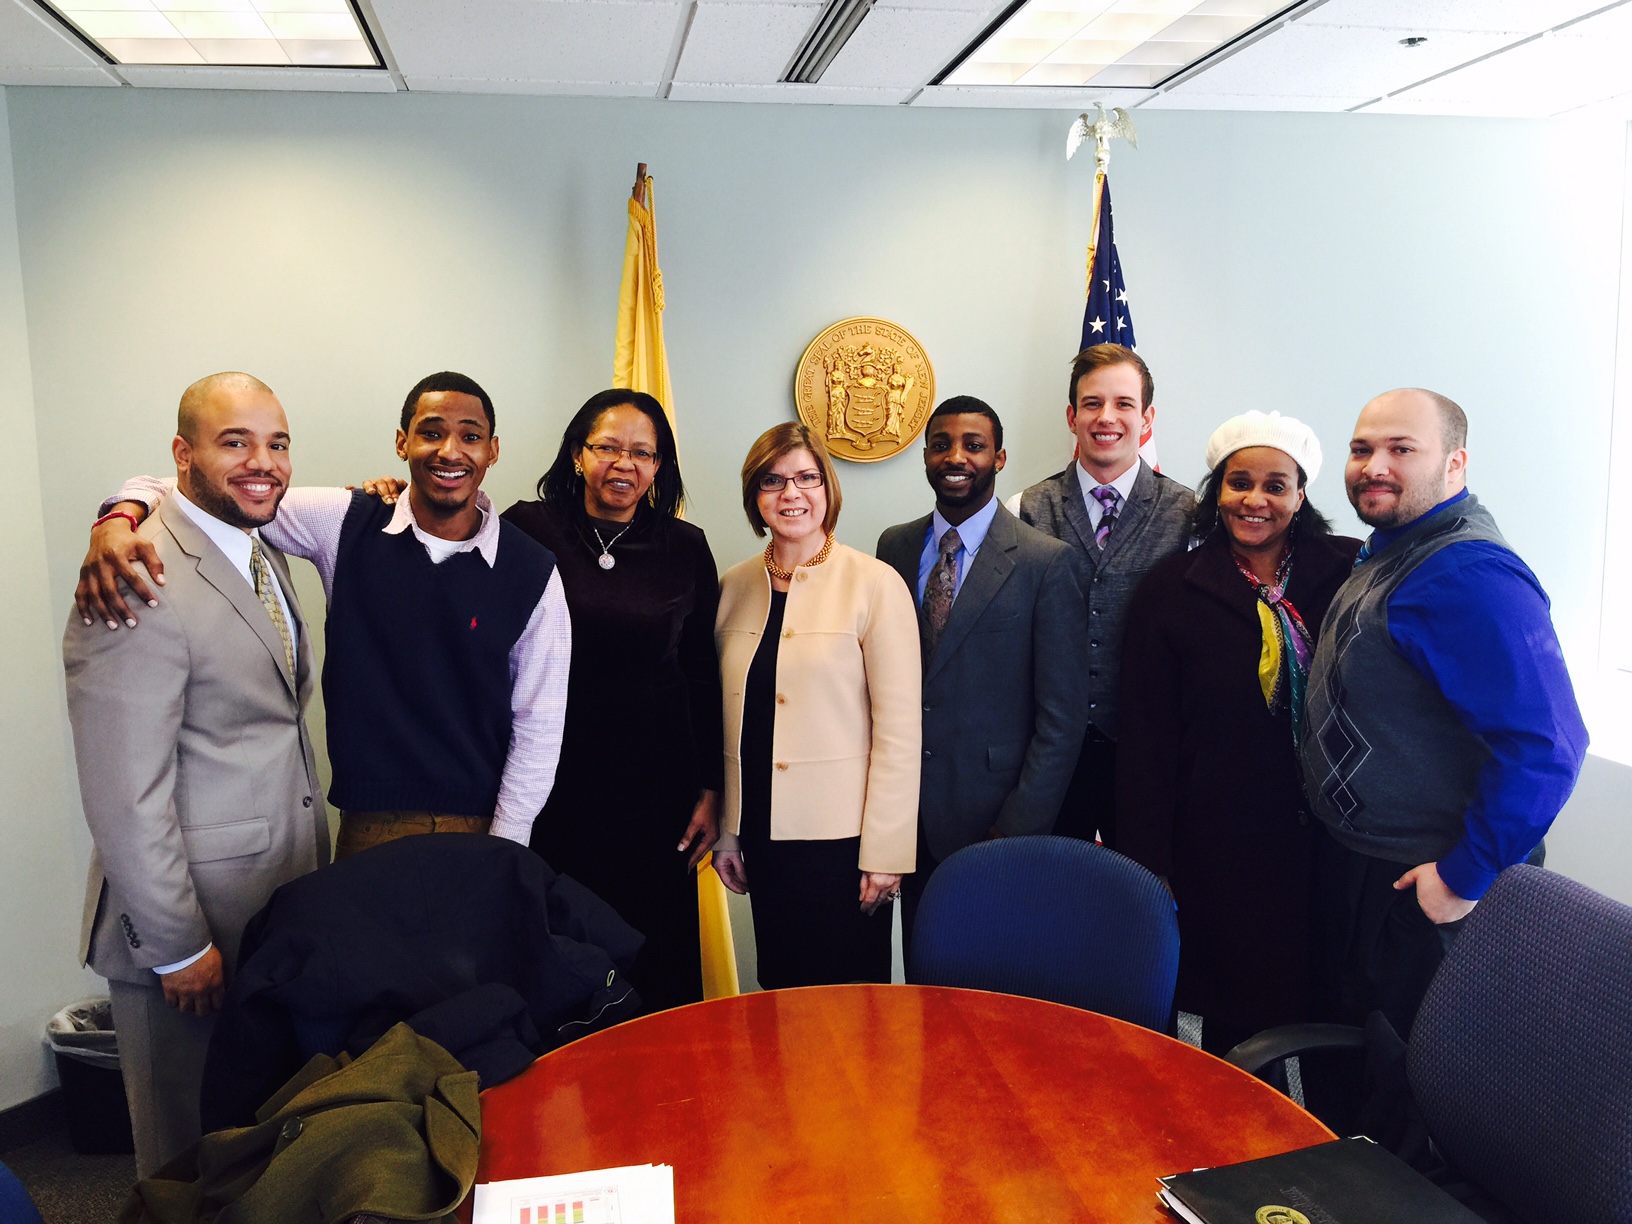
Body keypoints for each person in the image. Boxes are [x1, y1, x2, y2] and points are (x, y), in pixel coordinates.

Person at [74, 371, 570, 855]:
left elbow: (539, 726)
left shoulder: (531, 571)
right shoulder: (347, 522)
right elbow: (214, 487)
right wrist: (120, 516)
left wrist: (506, 851)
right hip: (368, 828)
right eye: (432, 433)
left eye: (471, 437)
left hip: (480, 829)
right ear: (403, 442)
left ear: (493, 450)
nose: (450, 451)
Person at [62, 372, 330, 1177]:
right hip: (188, 930)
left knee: (246, 1148)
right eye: (235, 441)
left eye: (277, 442)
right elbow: (122, 790)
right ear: (182, 455)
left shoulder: (256, 545)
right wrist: (177, 949)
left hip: (266, 906)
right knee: (183, 1162)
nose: (264, 462)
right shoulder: (136, 572)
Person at [1302, 388, 1588, 1038]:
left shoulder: (1465, 572)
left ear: (1455, 465)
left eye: (1402, 449)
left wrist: (1463, 877)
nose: (1375, 464)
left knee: (1406, 1091)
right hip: (1364, 865)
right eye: (1362, 448)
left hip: (1417, 884)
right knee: (1355, 1062)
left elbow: (1548, 748)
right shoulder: (1396, 544)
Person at [1117, 411, 1359, 1057]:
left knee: (1325, 1017)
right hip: (1216, 852)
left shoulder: (1347, 575)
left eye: (1276, 485)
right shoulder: (1170, 592)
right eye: (1239, 482)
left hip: (1325, 850)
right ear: (1215, 491)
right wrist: (1150, 865)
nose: (1255, 500)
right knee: (1223, 1017)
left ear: (1301, 496)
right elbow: (1144, 742)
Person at [499, 389, 724, 1012]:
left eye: (642, 453)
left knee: (655, 961)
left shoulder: (684, 546)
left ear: (659, 467)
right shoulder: (525, 530)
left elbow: (701, 671)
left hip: (657, 791)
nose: (624, 465)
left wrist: (711, 787)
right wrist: (387, 496)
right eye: (608, 448)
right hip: (552, 782)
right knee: (559, 953)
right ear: (578, 454)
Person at [876, 396, 1089, 951]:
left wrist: (1015, 828)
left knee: (990, 988)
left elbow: (1061, 718)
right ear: (925, 456)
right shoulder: (893, 548)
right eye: (942, 444)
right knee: (921, 973)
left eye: (974, 445)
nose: (956, 457)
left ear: (998, 458)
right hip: (906, 815)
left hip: (994, 818)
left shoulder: (1047, 562)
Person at [713, 422, 920, 988]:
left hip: (843, 846)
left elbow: (899, 732)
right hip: (761, 834)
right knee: (779, 990)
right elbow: (732, 723)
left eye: (807, 478)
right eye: (773, 481)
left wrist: (887, 850)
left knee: (849, 1007)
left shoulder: (875, 584)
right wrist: (730, 831)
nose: (791, 494)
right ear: (755, 498)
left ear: (828, 489)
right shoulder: (733, 586)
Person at [1017, 344, 1195, 847]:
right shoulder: (1026, 509)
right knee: (1048, 903)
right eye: (1092, 404)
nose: (1107, 417)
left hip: (1148, 754)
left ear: (1147, 418)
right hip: (1050, 757)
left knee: (1139, 903)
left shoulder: (1192, 515)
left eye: (1123, 404)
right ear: (1072, 417)